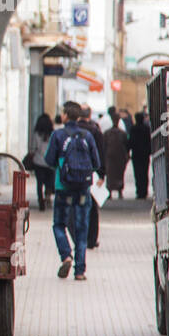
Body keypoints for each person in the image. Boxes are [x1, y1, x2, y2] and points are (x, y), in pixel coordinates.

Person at [46, 101, 101, 280]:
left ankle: (66, 255)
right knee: (81, 228)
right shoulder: (87, 136)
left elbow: (48, 160)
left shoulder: (58, 134)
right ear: (78, 116)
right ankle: (80, 271)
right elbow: (96, 163)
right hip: (83, 188)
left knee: (59, 224)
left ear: (64, 116)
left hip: (63, 187)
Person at [76, 105, 106, 248]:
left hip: (73, 174)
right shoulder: (95, 131)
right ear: (90, 115)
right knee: (92, 208)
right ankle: (91, 239)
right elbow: (100, 153)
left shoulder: (71, 131)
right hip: (91, 174)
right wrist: (102, 174)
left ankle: (78, 238)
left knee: (76, 206)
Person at [103, 107, 130, 200]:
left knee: (112, 173)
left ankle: (112, 191)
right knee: (116, 173)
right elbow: (127, 145)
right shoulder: (121, 133)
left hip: (112, 155)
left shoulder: (108, 133)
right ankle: (117, 190)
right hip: (117, 156)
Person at [30, 114, 55, 211]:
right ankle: (48, 196)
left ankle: (41, 201)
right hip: (50, 162)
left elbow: (33, 148)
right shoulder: (53, 134)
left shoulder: (36, 134)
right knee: (49, 181)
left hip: (38, 161)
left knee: (39, 182)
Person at [129, 110, 152, 199]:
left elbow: (131, 141)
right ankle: (144, 191)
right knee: (145, 172)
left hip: (136, 154)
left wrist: (128, 150)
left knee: (138, 173)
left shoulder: (133, 128)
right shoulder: (146, 129)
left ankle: (139, 191)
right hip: (145, 154)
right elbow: (149, 141)